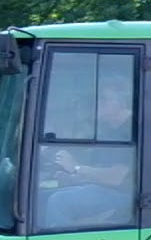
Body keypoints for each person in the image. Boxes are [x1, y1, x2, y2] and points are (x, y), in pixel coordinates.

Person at [40, 84, 136, 229]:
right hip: (105, 190)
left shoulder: (133, 129)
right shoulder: (109, 131)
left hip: (128, 196)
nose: (98, 104)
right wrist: (74, 178)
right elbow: (100, 172)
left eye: (104, 99)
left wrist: (77, 168)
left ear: (121, 103)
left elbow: (117, 177)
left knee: (58, 201)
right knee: (40, 197)